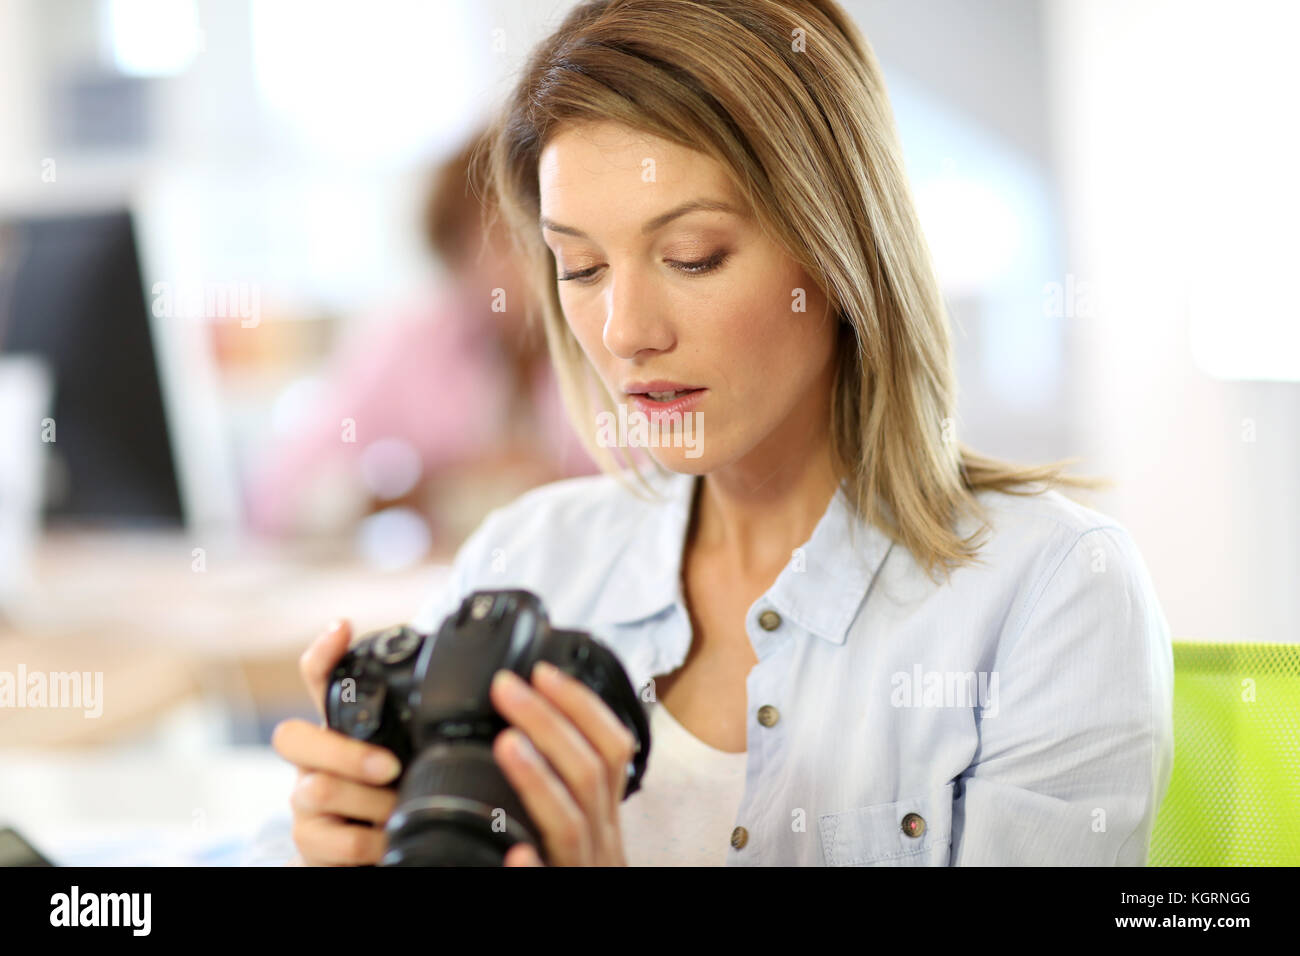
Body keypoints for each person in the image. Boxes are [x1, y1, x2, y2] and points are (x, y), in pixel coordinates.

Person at [272, 0, 1173, 867]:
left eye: (692, 256)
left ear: (836, 245)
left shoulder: (1051, 594)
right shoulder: (523, 562)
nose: (626, 332)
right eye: (580, 266)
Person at [244, 128, 595, 545]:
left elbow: (669, 492)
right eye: (504, 239)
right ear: (454, 255)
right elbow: (275, 494)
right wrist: (403, 493)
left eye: (548, 235)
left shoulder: (617, 333)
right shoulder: (414, 338)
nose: (534, 260)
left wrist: (563, 488)